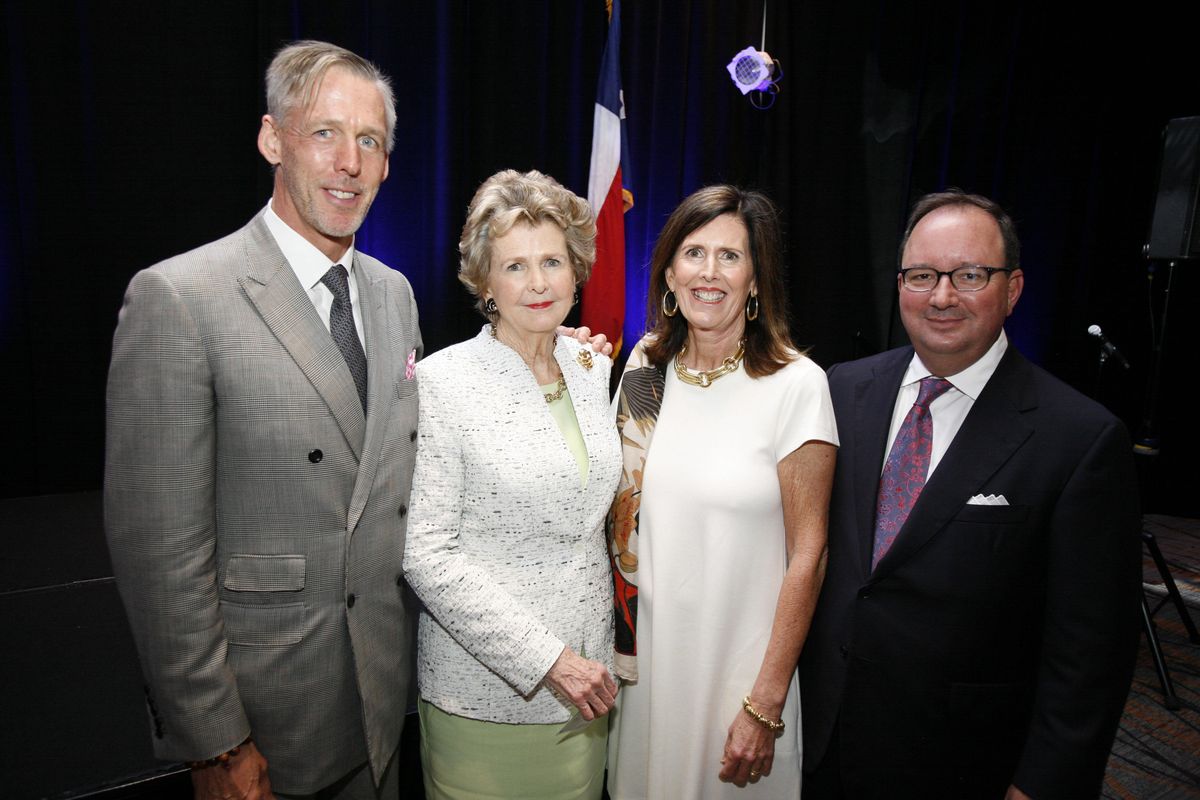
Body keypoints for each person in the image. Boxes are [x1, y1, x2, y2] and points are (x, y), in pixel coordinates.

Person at [104, 41, 419, 799]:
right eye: (325, 133)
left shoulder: (395, 293)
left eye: (369, 141)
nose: (349, 161)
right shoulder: (182, 298)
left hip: (381, 702)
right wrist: (216, 746)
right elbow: (161, 558)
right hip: (266, 722)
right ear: (272, 138)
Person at [799, 190, 1142, 799]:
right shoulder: (841, 390)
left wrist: (1042, 785)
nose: (941, 296)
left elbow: (1090, 654)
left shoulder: (1078, 439)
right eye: (923, 275)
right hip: (819, 742)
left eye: (969, 275)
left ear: (1012, 289)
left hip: (961, 764)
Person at [606, 185, 839, 798]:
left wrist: (764, 704)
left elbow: (809, 558)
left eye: (730, 257)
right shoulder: (644, 369)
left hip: (741, 683)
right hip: (647, 675)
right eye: (693, 253)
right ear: (669, 272)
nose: (709, 273)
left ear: (757, 281)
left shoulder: (797, 385)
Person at [402, 169, 622, 800]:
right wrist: (549, 661)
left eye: (552, 261)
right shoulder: (445, 381)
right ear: (485, 281)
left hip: (589, 692)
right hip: (486, 695)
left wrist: (586, 663)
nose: (537, 282)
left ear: (576, 271)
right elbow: (427, 553)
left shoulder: (589, 364)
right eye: (515, 266)